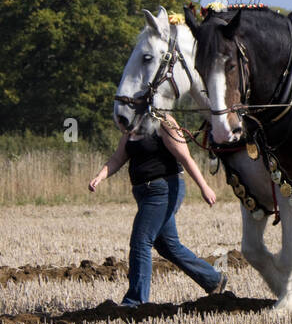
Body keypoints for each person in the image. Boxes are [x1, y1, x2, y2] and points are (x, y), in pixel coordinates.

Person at [89, 114, 226, 305]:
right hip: (143, 193)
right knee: (167, 246)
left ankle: (135, 302)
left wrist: (204, 187)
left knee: (140, 241)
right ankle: (213, 279)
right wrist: (100, 176)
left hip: (163, 189)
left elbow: (185, 157)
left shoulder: (164, 122)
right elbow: (118, 157)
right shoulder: (133, 125)